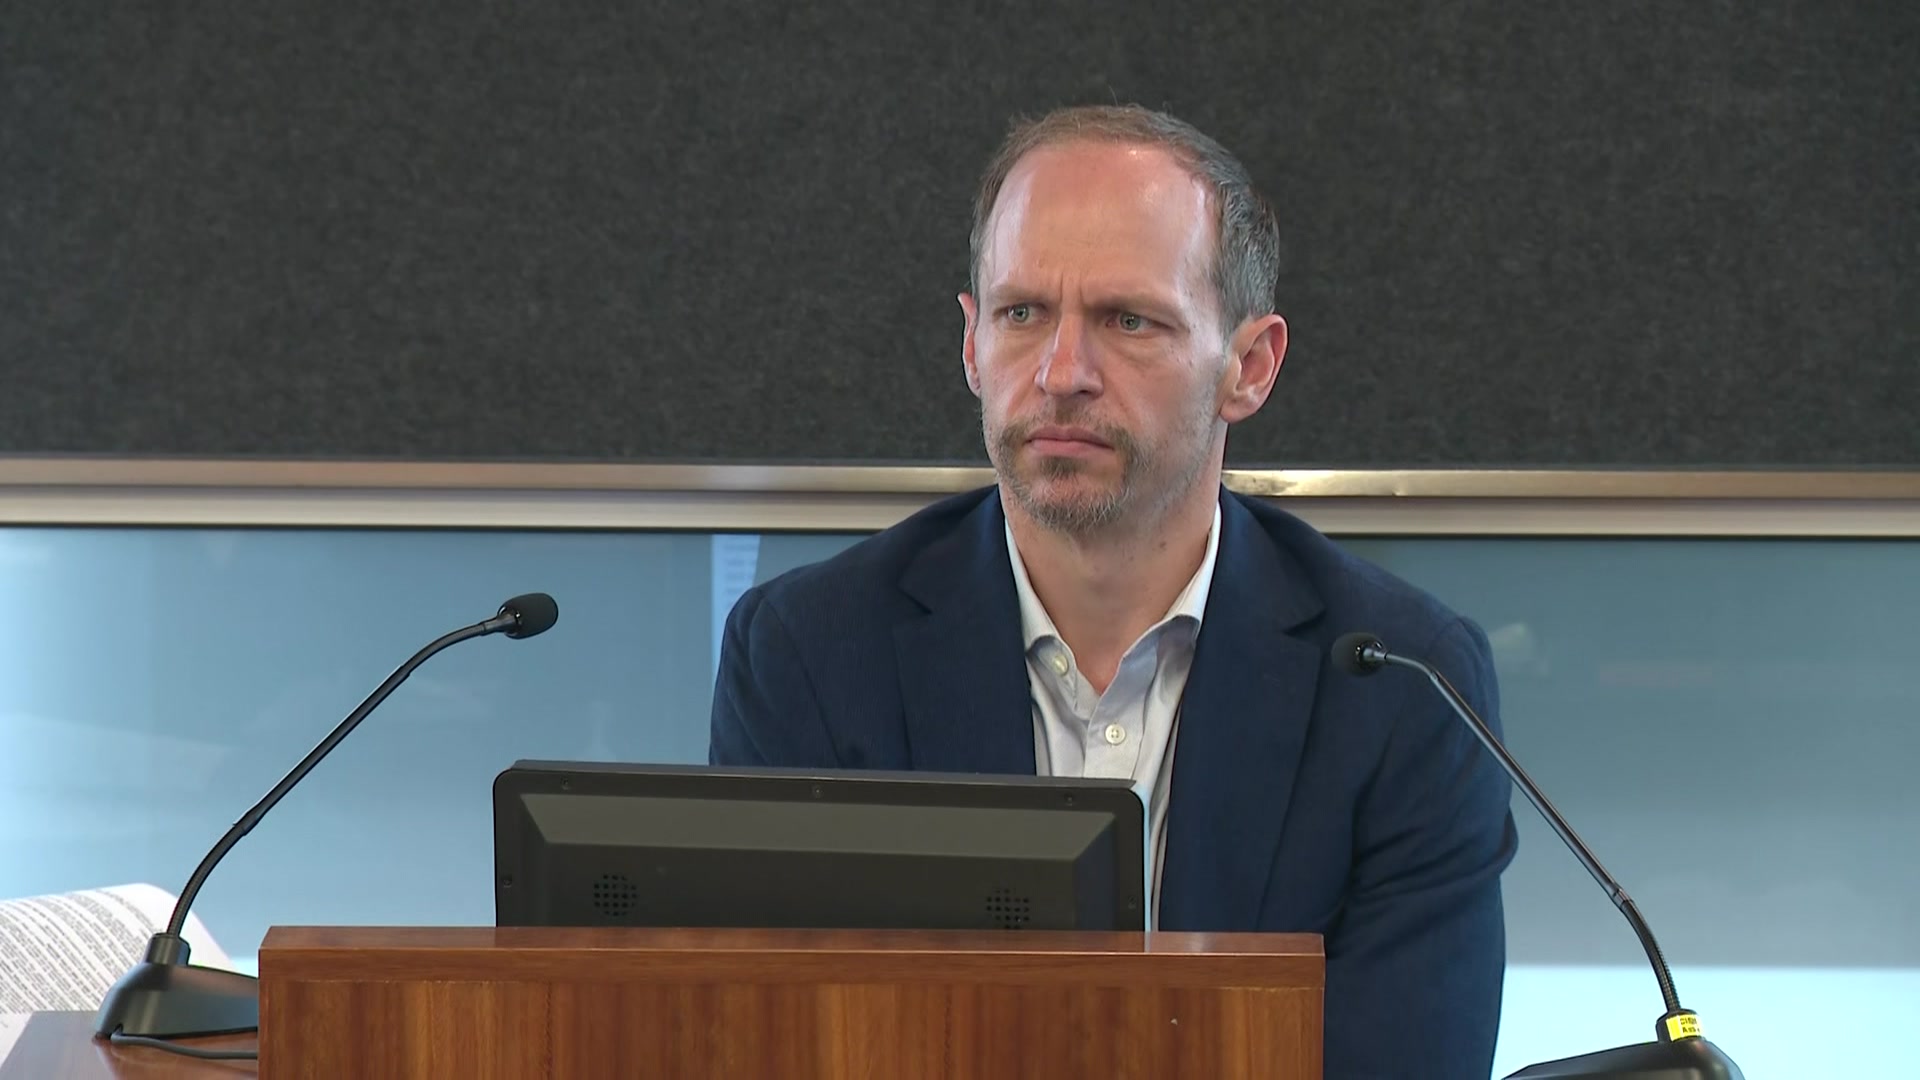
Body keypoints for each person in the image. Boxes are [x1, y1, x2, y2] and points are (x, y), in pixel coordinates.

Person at [710, 104, 1517, 1079]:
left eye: (1126, 320)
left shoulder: (1399, 683)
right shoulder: (808, 652)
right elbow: (773, 1051)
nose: (1061, 374)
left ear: (1249, 367)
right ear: (971, 345)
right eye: (1022, 314)